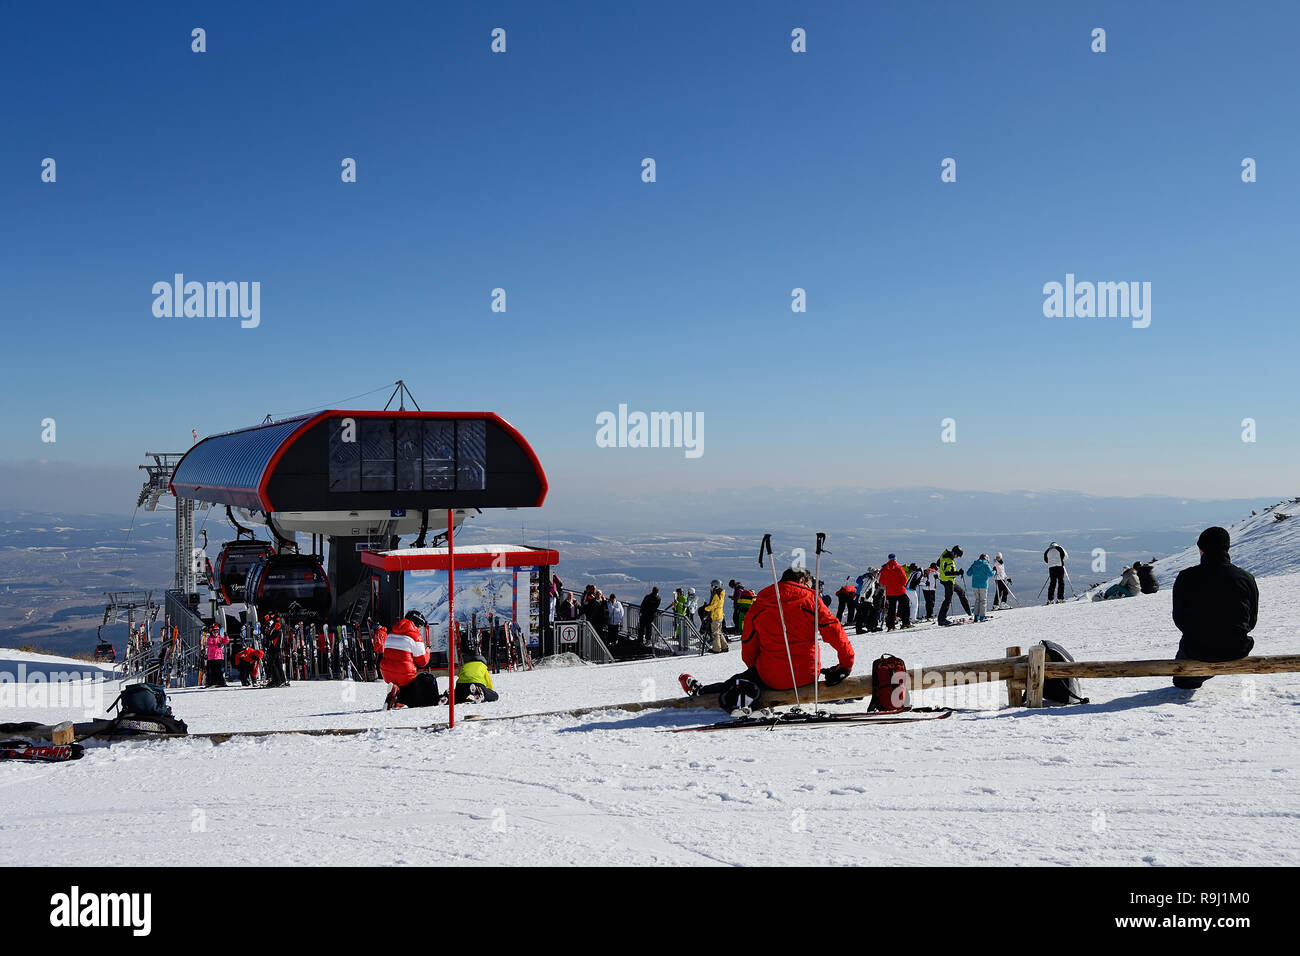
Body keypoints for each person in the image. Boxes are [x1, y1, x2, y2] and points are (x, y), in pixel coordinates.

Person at [678, 568, 854, 713]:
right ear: (801, 580)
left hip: (770, 676)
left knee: (735, 682)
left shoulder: (762, 600)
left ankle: (701, 691)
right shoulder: (811, 599)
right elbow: (834, 630)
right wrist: (846, 664)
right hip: (807, 675)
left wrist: (755, 666)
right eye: (809, 583)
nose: (811, 587)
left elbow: (748, 641)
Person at [1171, 527, 1258, 690]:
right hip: (1237, 648)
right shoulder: (1245, 577)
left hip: (1197, 649)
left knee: (1182, 682)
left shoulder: (1186, 577)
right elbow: (1252, 620)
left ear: (1201, 549)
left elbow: (1179, 619)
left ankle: (1198, 675)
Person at [381, 610, 439, 708]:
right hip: (404, 674)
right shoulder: (415, 636)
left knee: (403, 679)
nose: (420, 629)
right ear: (416, 624)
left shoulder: (392, 632)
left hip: (387, 674)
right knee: (426, 679)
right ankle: (406, 701)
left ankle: (396, 696)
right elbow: (422, 662)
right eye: (420, 626)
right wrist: (427, 652)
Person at [937, 547, 972, 625]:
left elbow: (938, 563)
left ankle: (968, 610)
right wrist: (958, 573)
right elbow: (947, 573)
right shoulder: (948, 560)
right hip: (948, 581)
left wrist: (955, 572)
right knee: (947, 600)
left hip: (948, 580)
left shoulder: (944, 555)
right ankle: (941, 619)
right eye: (958, 556)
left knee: (961, 591)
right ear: (955, 553)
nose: (957, 557)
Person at [879, 554, 911, 631]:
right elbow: (904, 581)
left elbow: (881, 581)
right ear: (895, 559)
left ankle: (891, 626)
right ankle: (905, 623)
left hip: (890, 592)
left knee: (891, 609)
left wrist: (889, 584)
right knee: (905, 606)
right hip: (900, 591)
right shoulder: (899, 568)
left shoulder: (884, 569)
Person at [967, 553, 995, 621]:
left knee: (977, 600)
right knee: (983, 601)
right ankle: (982, 616)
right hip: (983, 585)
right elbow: (990, 574)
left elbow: (968, 573)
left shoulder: (974, 564)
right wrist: (995, 570)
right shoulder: (986, 564)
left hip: (975, 585)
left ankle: (976, 616)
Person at [705, 584, 728, 653]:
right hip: (719, 615)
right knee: (719, 632)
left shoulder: (716, 596)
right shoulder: (721, 594)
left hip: (716, 616)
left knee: (715, 633)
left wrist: (706, 608)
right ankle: (724, 647)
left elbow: (713, 605)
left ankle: (716, 648)